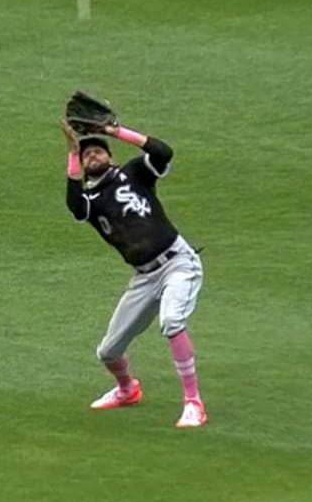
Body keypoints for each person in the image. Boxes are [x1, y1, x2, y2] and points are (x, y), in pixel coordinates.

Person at [59, 116, 207, 428]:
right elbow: (74, 204)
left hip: (178, 262)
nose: (93, 155)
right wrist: (72, 153)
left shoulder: (135, 173)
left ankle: (193, 403)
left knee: (172, 322)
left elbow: (163, 152)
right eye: (87, 155)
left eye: (98, 150)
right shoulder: (92, 201)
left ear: (110, 156)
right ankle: (128, 389)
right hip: (144, 277)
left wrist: (116, 131)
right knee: (108, 351)